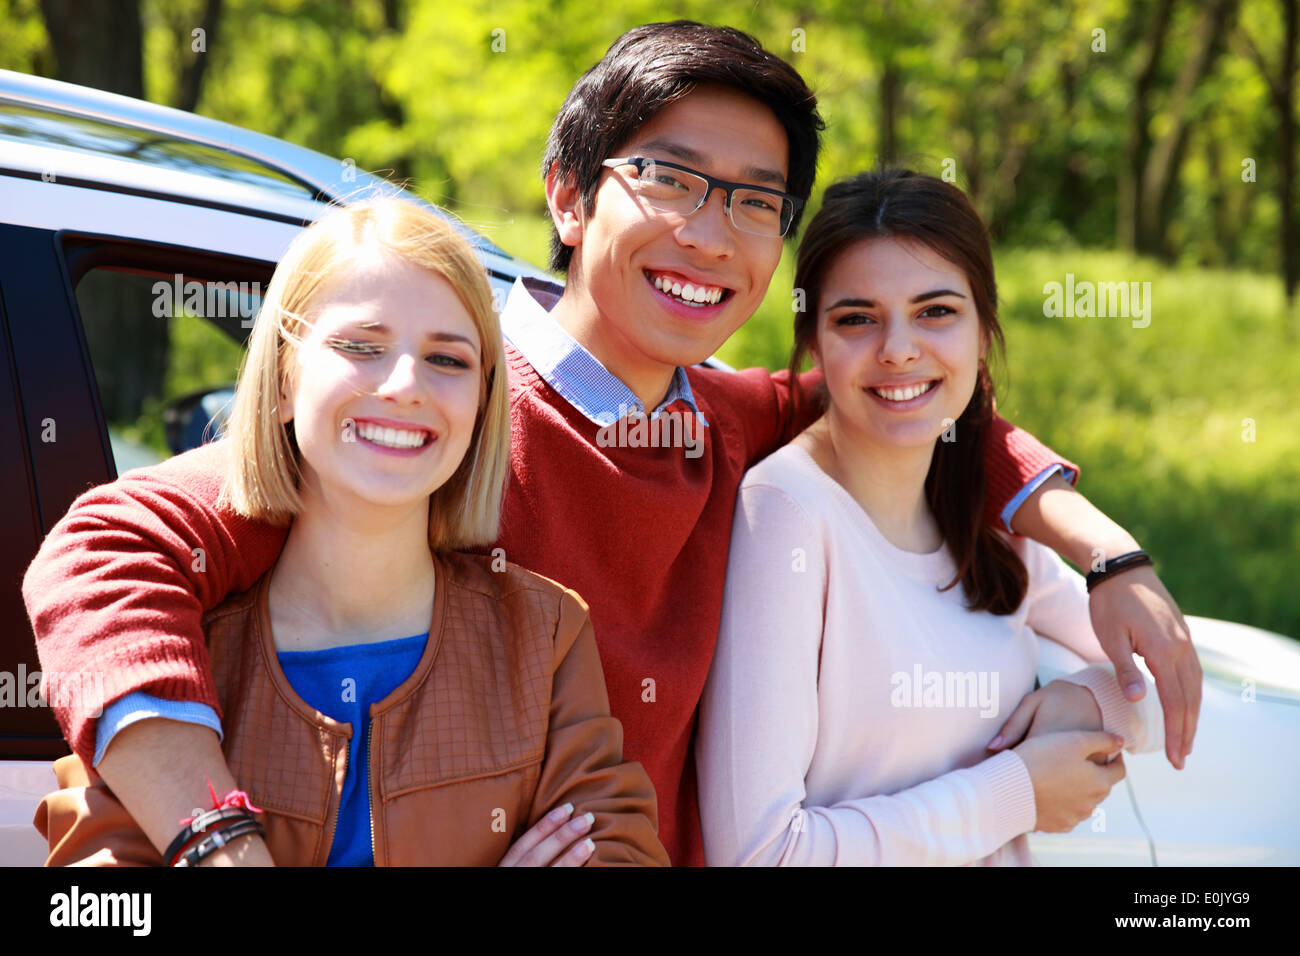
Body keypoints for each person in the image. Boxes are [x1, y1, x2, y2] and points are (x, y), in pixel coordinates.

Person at [23, 22, 1198, 868]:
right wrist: (211, 827)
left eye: (754, 200)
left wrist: (1098, 545)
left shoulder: (723, 417)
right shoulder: (439, 410)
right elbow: (105, 551)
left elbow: (896, 385)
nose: (709, 230)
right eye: (670, 178)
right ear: (570, 196)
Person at [34, 198, 668, 866]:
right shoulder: (182, 647)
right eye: (360, 347)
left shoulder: (545, 634)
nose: (404, 385)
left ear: (483, 405)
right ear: (282, 380)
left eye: (448, 360)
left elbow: (617, 849)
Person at [695, 169, 1166, 866]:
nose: (898, 349)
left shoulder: (979, 511)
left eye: (936, 311)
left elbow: (1165, 689)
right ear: (814, 342)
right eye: (856, 318)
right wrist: (1014, 791)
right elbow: (762, 853)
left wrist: (1085, 700)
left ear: (983, 332)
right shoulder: (789, 513)